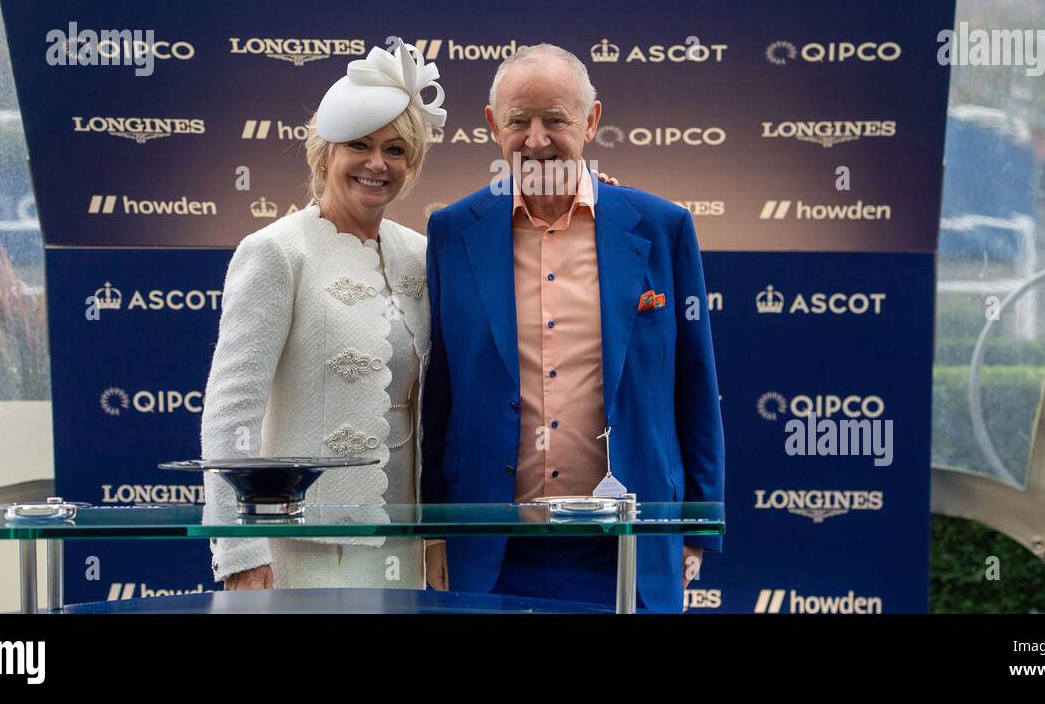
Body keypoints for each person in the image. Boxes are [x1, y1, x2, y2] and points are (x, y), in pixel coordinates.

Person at [420, 42, 725, 613]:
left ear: (591, 121)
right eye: (518, 121)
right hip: (490, 544)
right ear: (492, 126)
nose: (536, 139)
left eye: (555, 119)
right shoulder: (452, 231)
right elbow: (440, 395)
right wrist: (435, 527)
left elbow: (694, 385)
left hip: (627, 547)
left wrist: (699, 526)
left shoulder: (663, 227)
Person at [200, 40, 445, 590]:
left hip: (401, 538)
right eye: (358, 144)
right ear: (324, 154)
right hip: (302, 541)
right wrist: (239, 548)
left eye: (396, 149)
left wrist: (435, 536)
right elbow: (230, 411)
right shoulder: (277, 251)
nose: (377, 163)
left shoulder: (421, 254)